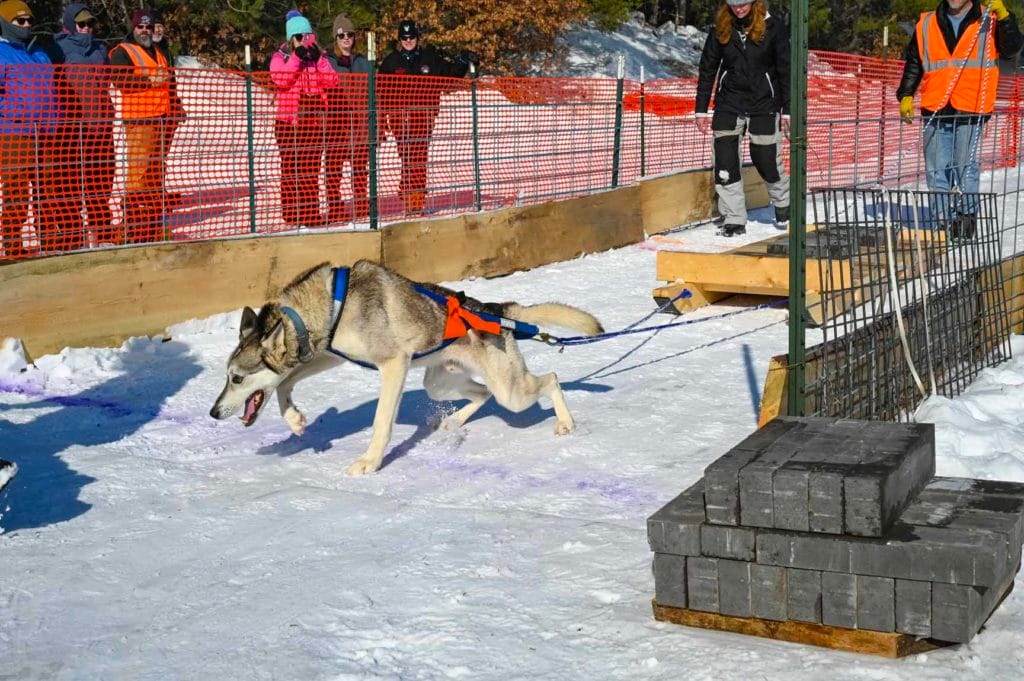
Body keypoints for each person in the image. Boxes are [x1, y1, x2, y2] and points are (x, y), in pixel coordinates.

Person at [898, 0, 1023, 239]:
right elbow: (915, 61)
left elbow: (1012, 48)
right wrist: (906, 94)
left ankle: (965, 222)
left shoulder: (990, 19)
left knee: (964, 167)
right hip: (935, 105)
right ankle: (941, 226)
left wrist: (1005, 17)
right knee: (936, 171)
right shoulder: (927, 23)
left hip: (971, 105)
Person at [694, 0, 790, 237]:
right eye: (734, 4)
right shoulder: (721, 28)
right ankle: (734, 218)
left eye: (743, 4)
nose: (738, 9)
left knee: (766, 157)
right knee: (725, 163)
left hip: (764, 102)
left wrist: (788, 109)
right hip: (729, 102)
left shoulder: (773, 27)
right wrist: (701, 109)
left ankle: (783, 201)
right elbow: (707, 69)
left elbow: (786, 69)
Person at [379, 19, 478, 215]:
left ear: (418, 37)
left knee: (418, 157)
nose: (408, 41)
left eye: (412, 37)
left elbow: (451, 75)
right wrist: (382, 120)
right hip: (400, 119)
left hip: (423, 117)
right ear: (399, 39)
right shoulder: (391, 62)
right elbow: (381, 92)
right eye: (404, 38)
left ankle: (414, 199)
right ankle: (410, 195)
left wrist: (463, 61)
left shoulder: (429, 58)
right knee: (408, 156)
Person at [109, 9, 176, 243]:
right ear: (133, 28)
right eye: (140, 27)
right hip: (139, 121)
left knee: (155, 175)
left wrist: (175, 108)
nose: (145, 31)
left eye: (148, 27)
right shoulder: (123, 51)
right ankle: (133, 226)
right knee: (138, 174)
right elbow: (120, 79)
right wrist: (149, 80)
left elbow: (169, 82)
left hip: (161, 118)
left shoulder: (158, 51)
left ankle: (153, 224)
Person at [0, 0, 61, 257]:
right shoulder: (2, 53)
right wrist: (12, 113)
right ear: (6, 23)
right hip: (15, 133)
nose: (26, 25)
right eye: (20, 21)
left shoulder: (39, 53)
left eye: (29, 21)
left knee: (48, 189)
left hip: (45, 132)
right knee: (17, 191)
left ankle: (49, 242)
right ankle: (13, 245)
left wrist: (55, 117)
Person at [54, 2, 117, 246]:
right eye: (81, 24)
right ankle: (72, 235)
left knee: (101, 183)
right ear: (71, 24)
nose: (87, 28)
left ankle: (102, 233)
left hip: (101, 126)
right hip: (72, 128)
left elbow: (110, 79)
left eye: (90, 23)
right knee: (69, 185)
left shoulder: (100, 49)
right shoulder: (58, 48)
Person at [269, 12, 338, 228]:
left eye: (307, 35)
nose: (303, 40)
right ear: (291, 38)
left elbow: (332, 80)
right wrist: (297, 57)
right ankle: (292, 213)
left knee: (311, 170)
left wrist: (319, 60)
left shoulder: (318, 57)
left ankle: (311, 212)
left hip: (313, 122)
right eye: (299, 36)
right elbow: (281, 79)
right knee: (291, 169)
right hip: (288, 123)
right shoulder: (281, 57)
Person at [324, 14, 371, 223]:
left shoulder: (363, 62)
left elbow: (374, 94)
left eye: (349, 35)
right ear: (335, 37)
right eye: (342, 35)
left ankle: (361, 205)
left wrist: (376, 126)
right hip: (337, 127)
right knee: (333, 171)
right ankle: (335, 207)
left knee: (360, 170)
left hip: (360, 126)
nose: (346, 39)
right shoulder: (328, 62)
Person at [151, 9, 185, 208]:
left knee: (162, 154)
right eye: (155, 26)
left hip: (168, 108)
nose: (158, 29)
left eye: (161, 26)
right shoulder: (146, 49)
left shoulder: (165, 48)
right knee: (150, 156)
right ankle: (148, 195)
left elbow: (171, 81)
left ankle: (159, 191)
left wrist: (177, 103)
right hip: (151, 110)